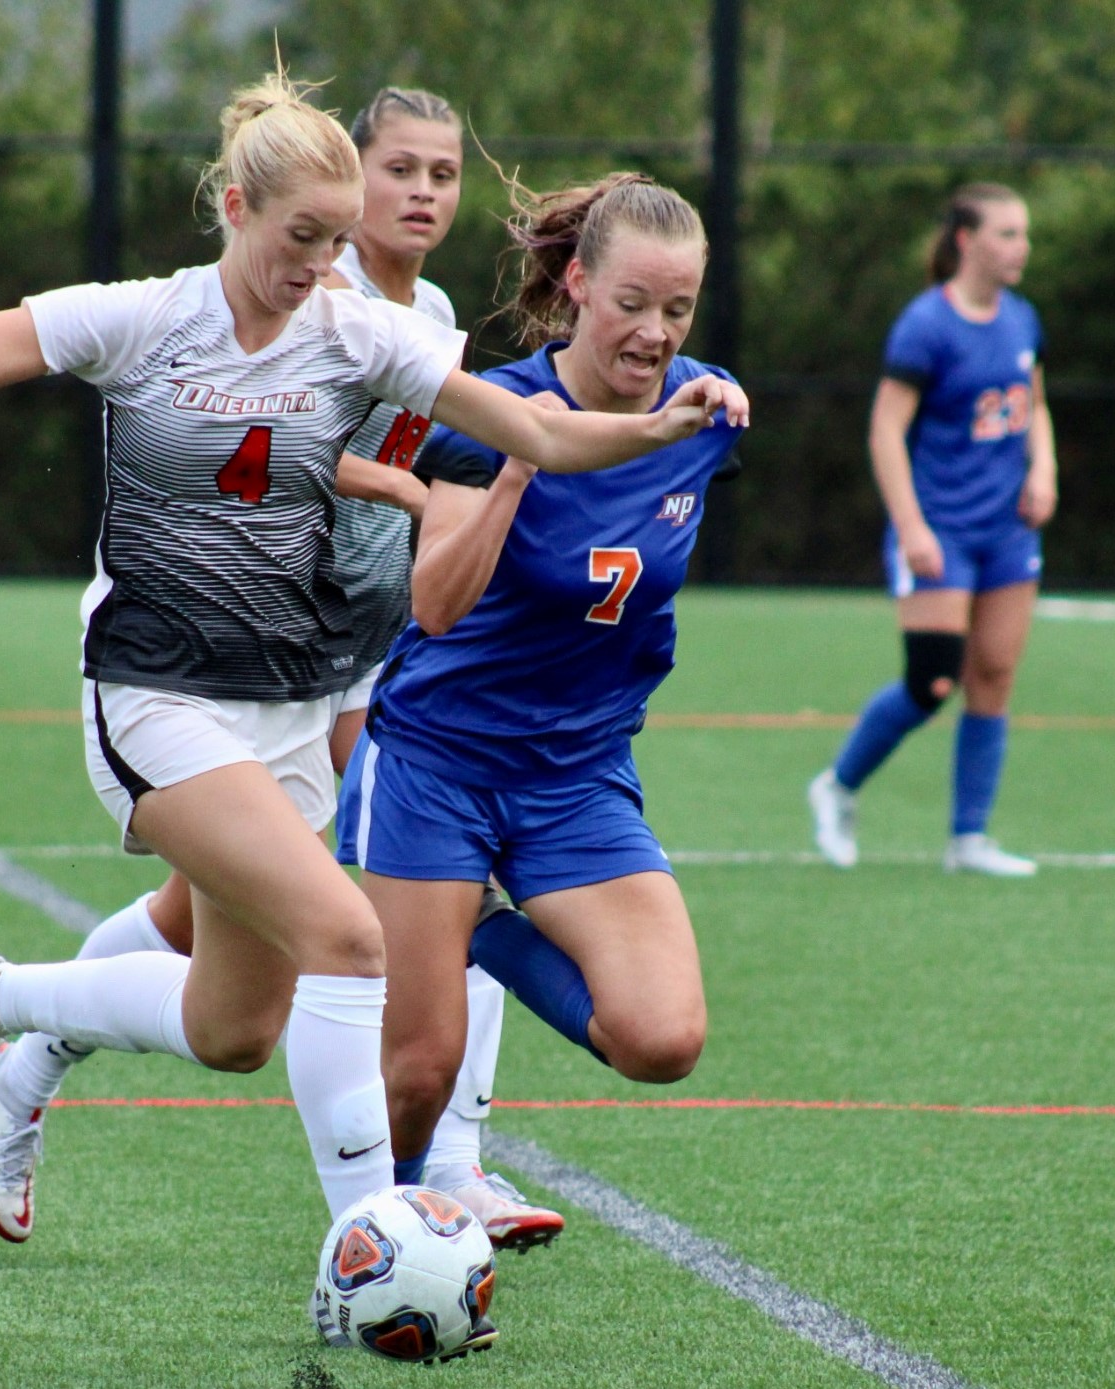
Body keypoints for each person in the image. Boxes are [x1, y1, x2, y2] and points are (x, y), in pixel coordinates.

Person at [0, 68, 737, 1298]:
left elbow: (546, 435)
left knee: (235, 1027)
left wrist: (669, 426)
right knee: (349, 939)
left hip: (291, 697)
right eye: (302, 238)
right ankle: (371, 1265)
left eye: (335, 243)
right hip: (153, 690)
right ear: (233, 208)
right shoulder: (133, 319)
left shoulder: (355, 331)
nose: (319, 267)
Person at [25, 86, 564, 1253]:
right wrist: (415, 489)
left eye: (444, 173)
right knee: (385, 908)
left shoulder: (421, 312)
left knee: (231, 959)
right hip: (263, 651)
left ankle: (29, 1029)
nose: (422, 192)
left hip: (364, 645)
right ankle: (407, 1199)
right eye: (401, 170)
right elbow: (262, 459)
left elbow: (470, 458)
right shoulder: (310, 294)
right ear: (350, 180)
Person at [338, 171, 750, 1209]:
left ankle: (479, 920)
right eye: (631, 304)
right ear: (575, 283)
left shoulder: (704, 416)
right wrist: (525, 461)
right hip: (439, 758)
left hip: (576, 772)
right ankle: (371, 1244)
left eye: (677, 309)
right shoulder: (489, 413)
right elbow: (432, 605)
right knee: (420, 1073)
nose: (654, 333)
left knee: (660, 1038)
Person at [807, 183, 1057, 876]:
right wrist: (911, 525)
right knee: (933, 681)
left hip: (1006, 531)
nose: (1021, 246)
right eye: (1007, 233)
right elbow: (886, 429)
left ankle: (968, 839)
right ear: (966, 240)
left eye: (1023, 233)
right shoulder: (926, 324)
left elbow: (1033, 404)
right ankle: (837, 786)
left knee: (995, 675)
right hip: (941, 528)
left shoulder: (1022, 319)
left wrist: (1045, 472)